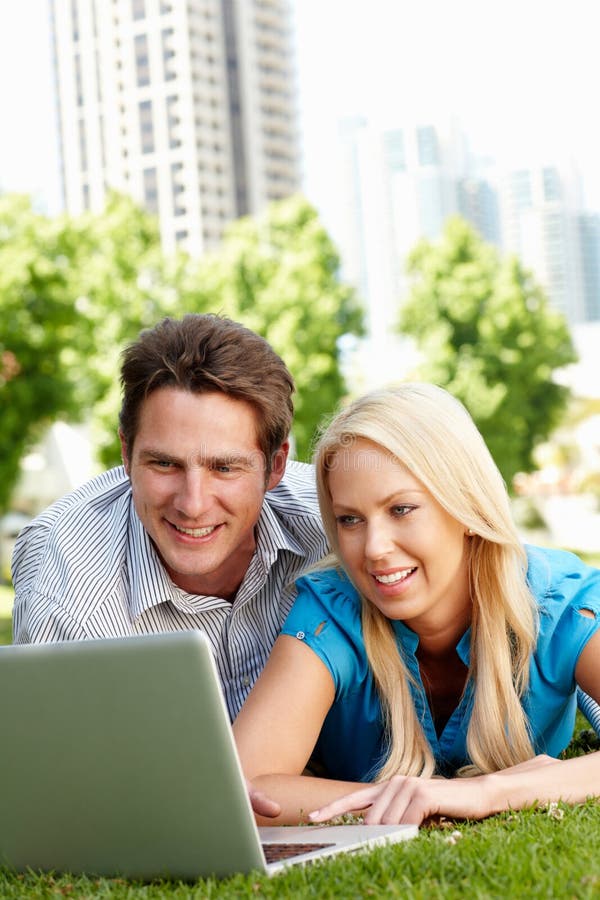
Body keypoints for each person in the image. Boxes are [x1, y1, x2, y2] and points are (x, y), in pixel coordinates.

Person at [233, 383, 600, 826]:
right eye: (350, 519)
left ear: (465, 506)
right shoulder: (332, 610)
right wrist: (414, 800)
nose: (374, 548)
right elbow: (245, 788)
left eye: (402, 509)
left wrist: (489, 792)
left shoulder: (559, 603)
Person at [12, 314, 328, 721]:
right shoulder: (63, 583)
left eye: (225, 468)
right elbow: (56, 766)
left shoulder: (334, 525)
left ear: (276, 465)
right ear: (127, 454)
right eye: (164, 464)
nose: (193, 504)